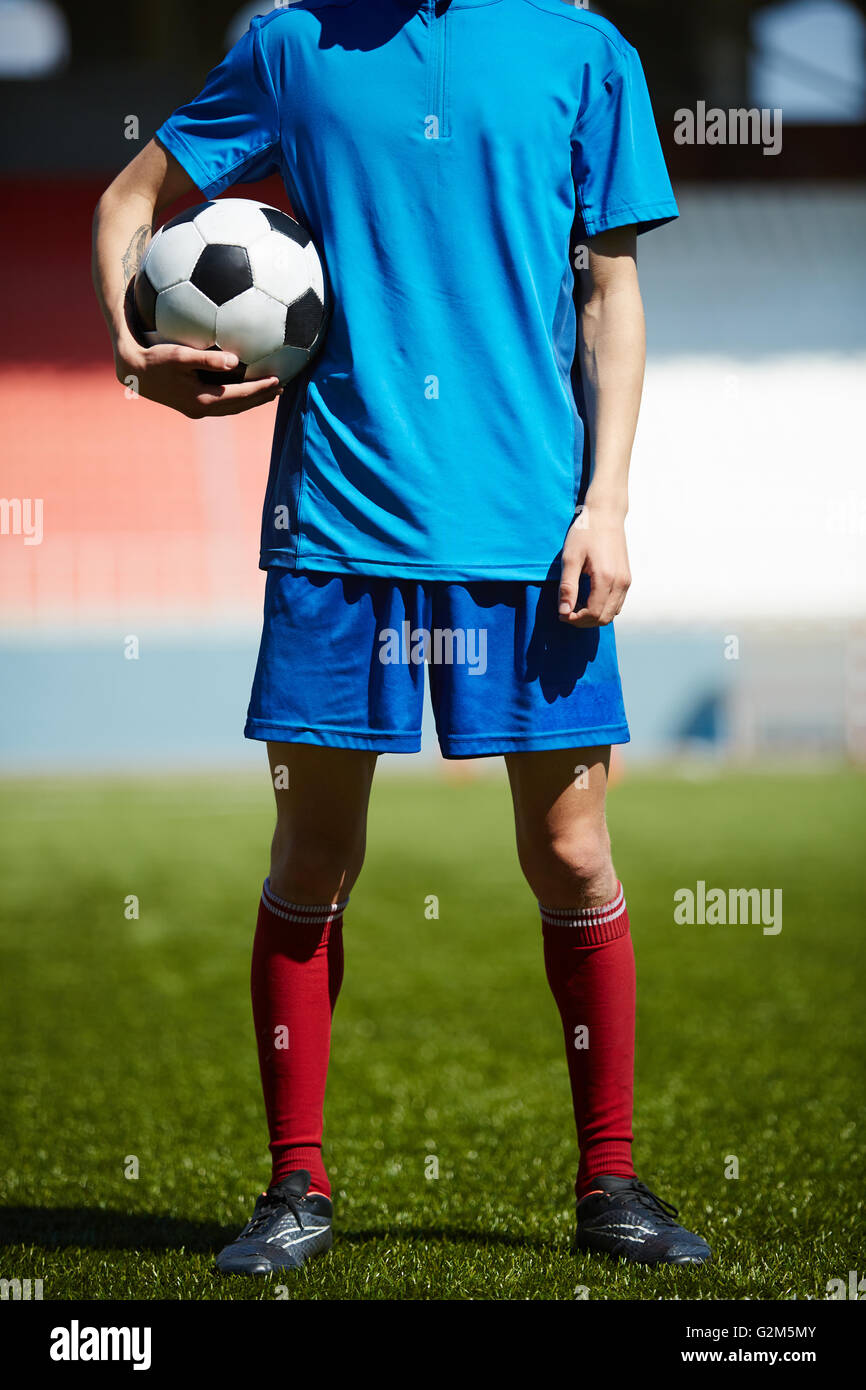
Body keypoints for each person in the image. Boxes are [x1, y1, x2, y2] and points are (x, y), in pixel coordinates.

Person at [92, 0, 710, 1274]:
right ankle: (295, 1189)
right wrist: (128, 350)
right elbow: (127, 201)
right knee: (312, 853)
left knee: (574, 851)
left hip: (529, 532)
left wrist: (605, 502)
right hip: (336, 526)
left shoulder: (584, 50)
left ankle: (610, 1182)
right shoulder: (289, 44)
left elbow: (610, 293)